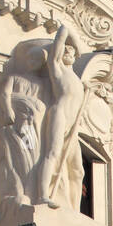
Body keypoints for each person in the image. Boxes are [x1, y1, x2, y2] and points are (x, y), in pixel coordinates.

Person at [32, 25, 84, 208]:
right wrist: (76, 42)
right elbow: (63, 30)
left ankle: (74, 208)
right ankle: (43, 195)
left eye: (72, 51)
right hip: (59, 114)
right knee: (52, 153)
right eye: (66, 49)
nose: (68, 51)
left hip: (73, 125)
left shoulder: (78, 80)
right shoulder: (57, 69)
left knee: (78, 170)